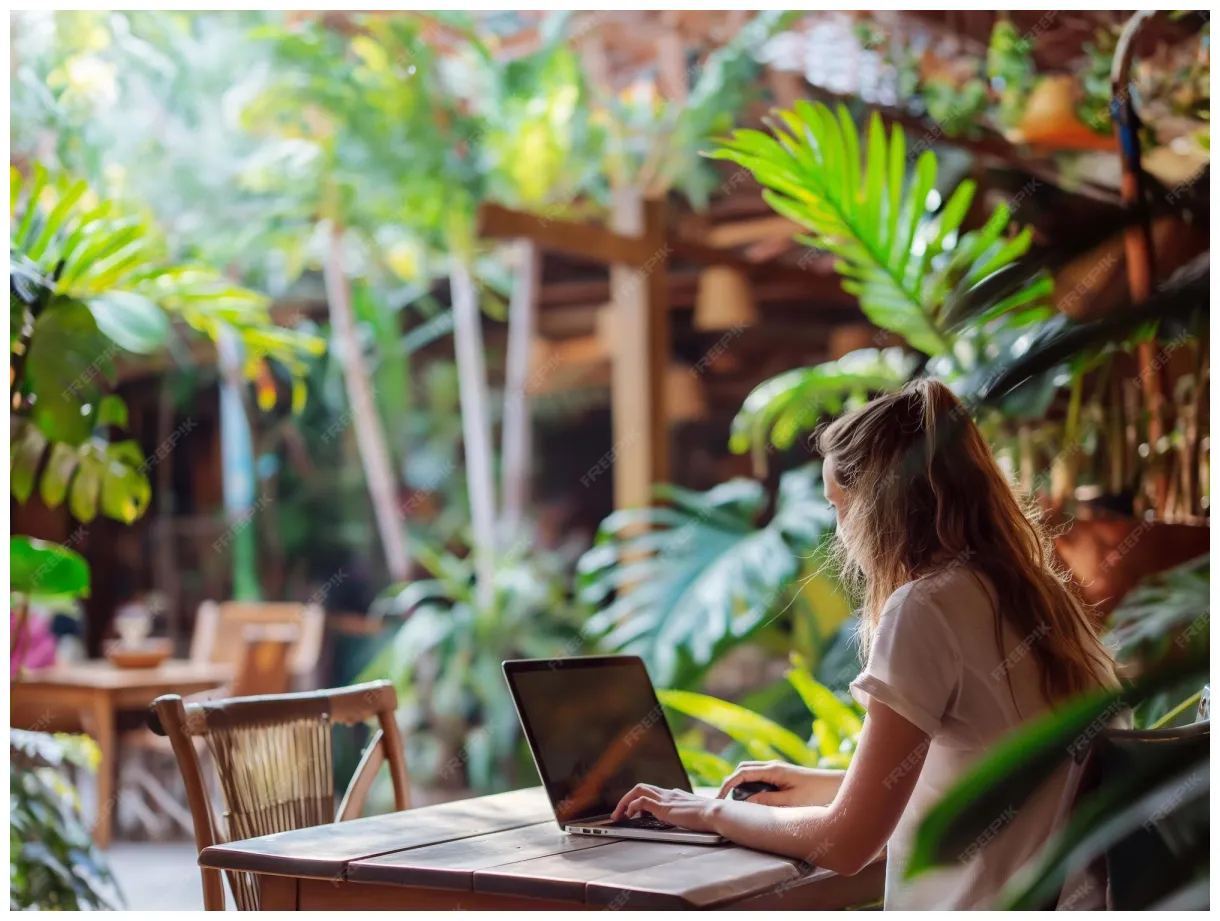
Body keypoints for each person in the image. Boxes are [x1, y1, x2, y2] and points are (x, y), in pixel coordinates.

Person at [612, 379, 1121, 910]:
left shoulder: (926, 607)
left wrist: (705, 813)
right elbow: (986, 772)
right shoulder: (1037, 598)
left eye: (839, 505)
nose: (839, 532)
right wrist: (825, 785)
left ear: (880, 505)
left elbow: (847, 843)